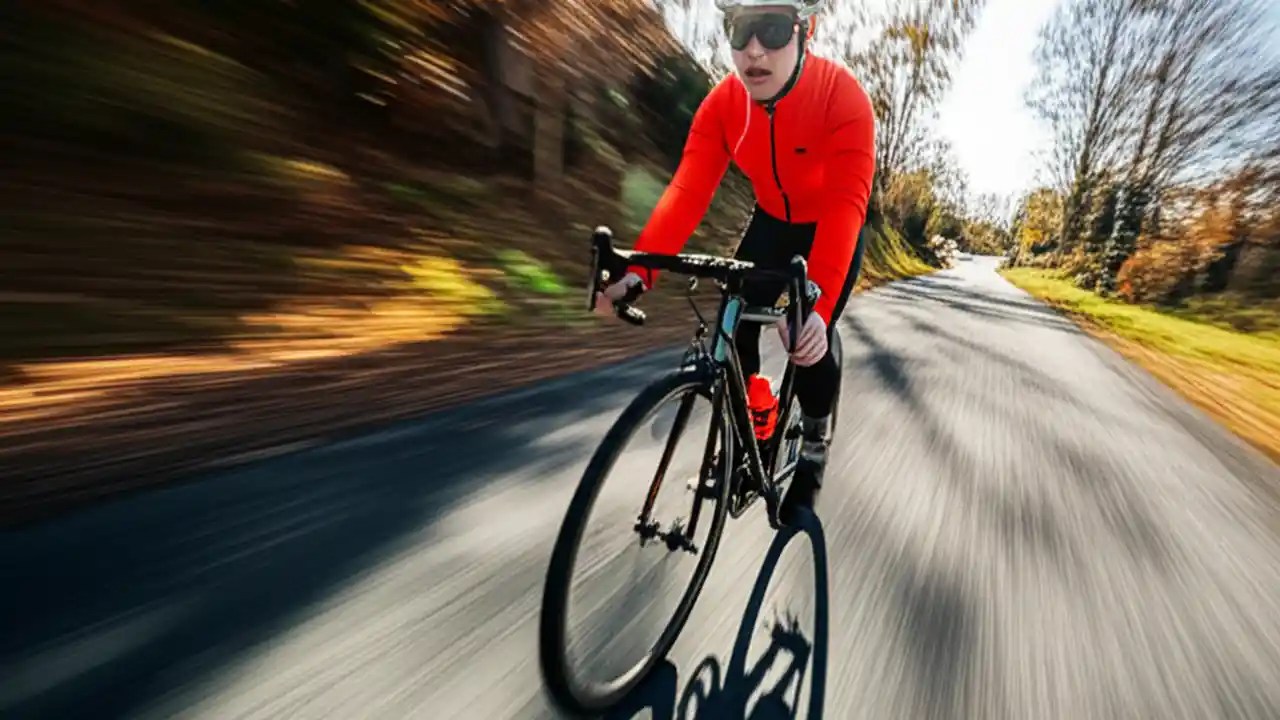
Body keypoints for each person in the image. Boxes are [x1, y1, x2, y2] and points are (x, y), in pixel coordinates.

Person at [595, 0, 876, 520]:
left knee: (805, 338)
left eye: (771, 31)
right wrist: (640, 271)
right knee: (736, 324)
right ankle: (756, 425)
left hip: (832, 223)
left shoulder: (843, 98)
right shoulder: (724, 105)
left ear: (805, 31)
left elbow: (844, 208)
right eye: (741, 31)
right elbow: (687, 191)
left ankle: (814, 444)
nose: (754, 51)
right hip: (772, 220)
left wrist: (816, 306)